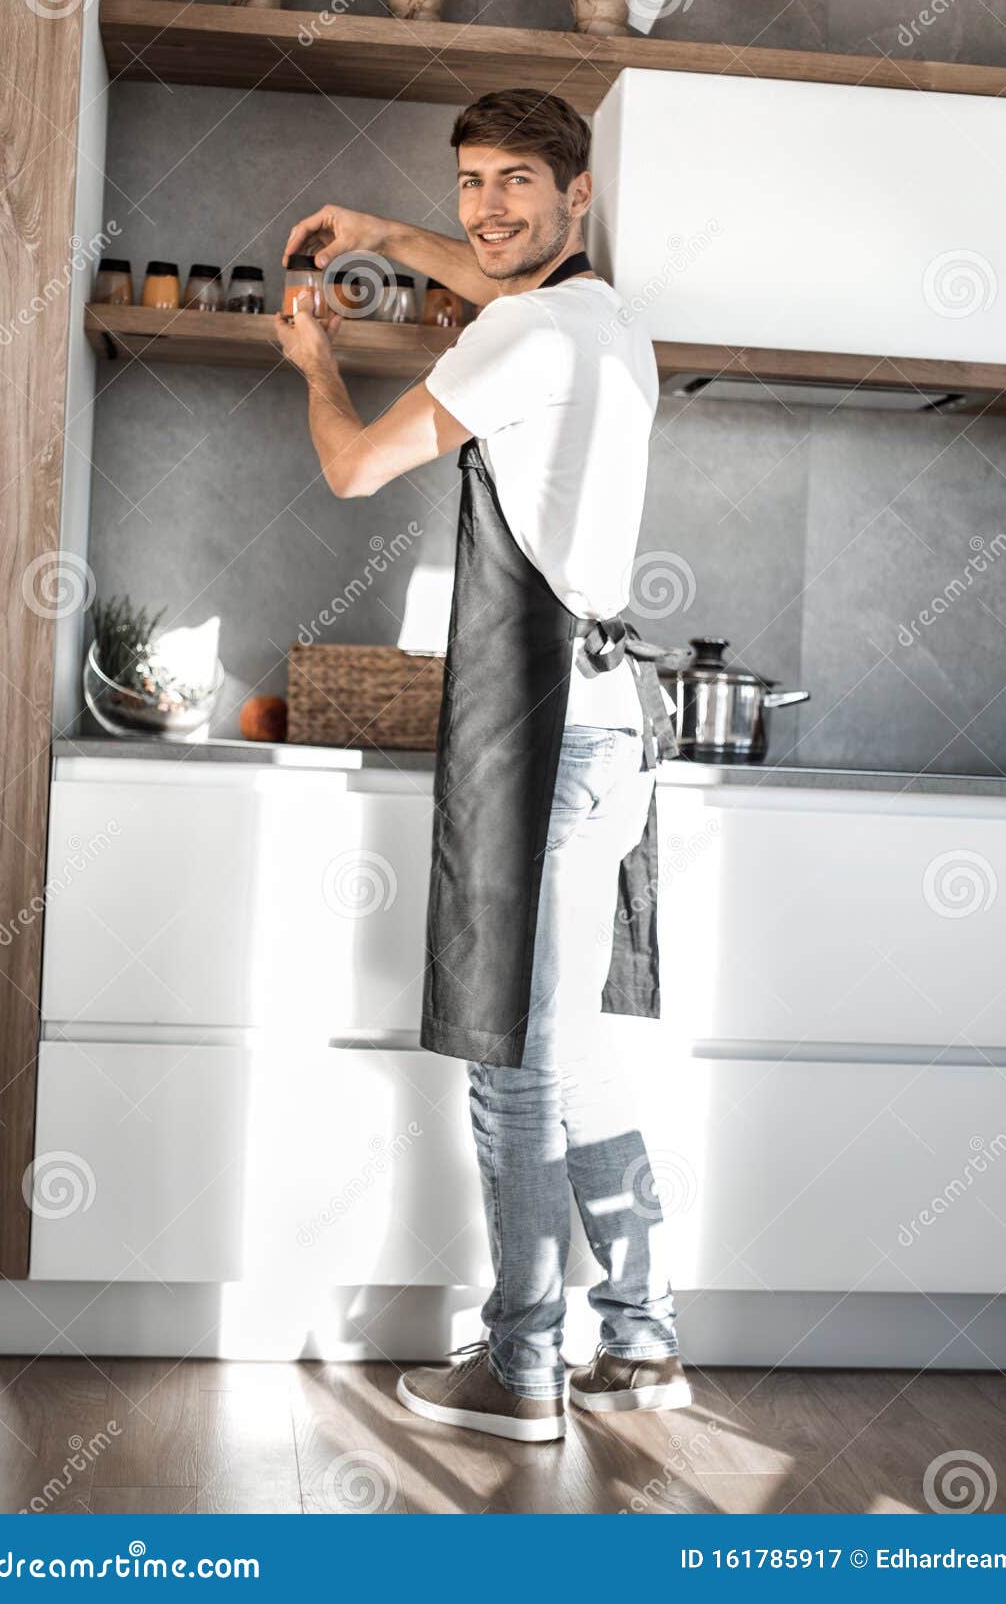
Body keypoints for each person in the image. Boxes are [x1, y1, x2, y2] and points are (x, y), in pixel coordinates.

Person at [278, 88, 690, 1444]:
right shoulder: (604, 316)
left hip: (552, 728)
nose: (488, 209)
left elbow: (350, 468)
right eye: (470, 182)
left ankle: (519, 1367)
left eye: (519, 181)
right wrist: (387, 230)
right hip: (616, 712)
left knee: (513, 1061)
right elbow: (485, 273)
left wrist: (312, 358)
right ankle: (638, 1340)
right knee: (584, 1056)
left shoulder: (519, 334)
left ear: (579, 197)